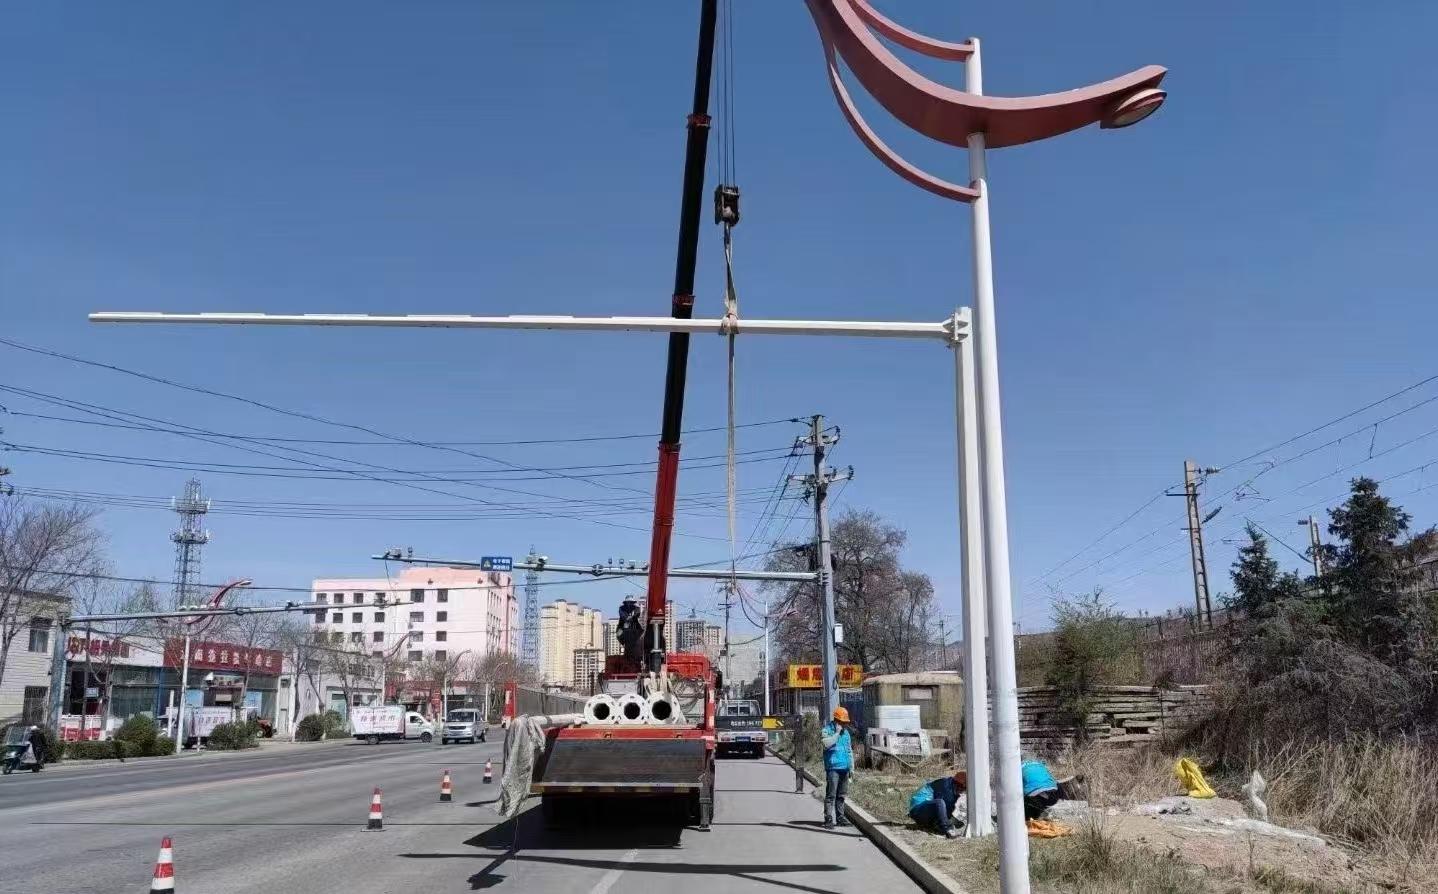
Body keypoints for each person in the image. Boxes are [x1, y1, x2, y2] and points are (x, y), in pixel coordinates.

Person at [820, 706, 854, 828]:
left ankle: (840, 817)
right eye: (842, 722)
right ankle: (828, 818)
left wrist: (851, 768)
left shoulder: (846, 734)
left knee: (841, 795)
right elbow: (826, 744)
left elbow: (849, 751)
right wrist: (837, 733)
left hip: (844, 768)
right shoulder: (827, 730)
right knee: (831, 795)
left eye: (845, 722)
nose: (844, 725)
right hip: (833, 768)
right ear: (836, 721)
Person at [909, 770, 967, 838]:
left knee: (944, 807)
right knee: (939, 802)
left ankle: (937, 826)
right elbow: (944, 807)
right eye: (963, 788)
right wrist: (952, 822)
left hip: (925, 811)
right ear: (957, 784)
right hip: (917, 809)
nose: (963, 790)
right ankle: (948, 830)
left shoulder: (951, 786)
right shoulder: (945, 785)